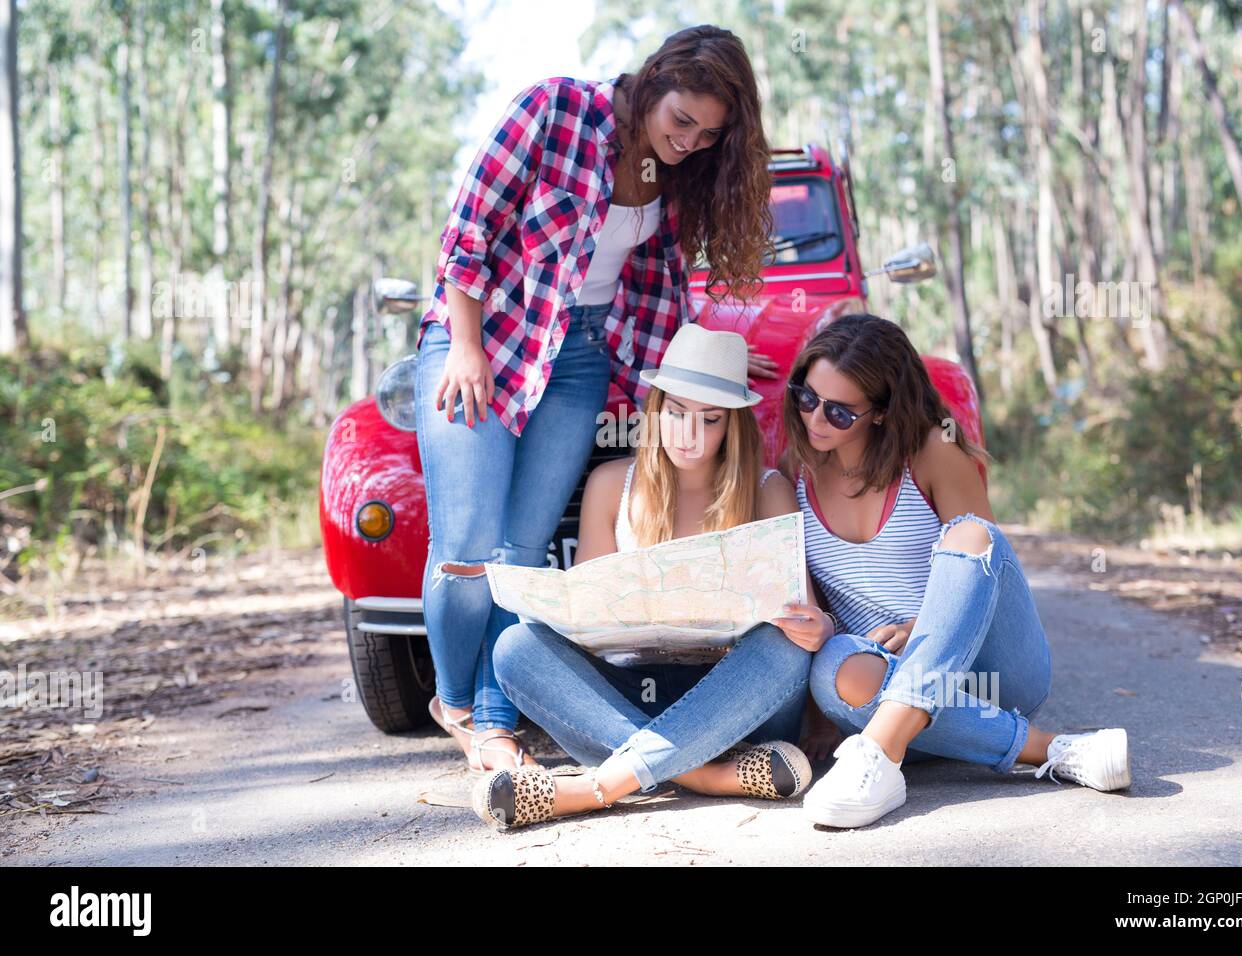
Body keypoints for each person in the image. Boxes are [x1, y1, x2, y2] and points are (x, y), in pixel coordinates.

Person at [413, 25, 779, 771]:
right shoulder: (554, 112)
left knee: (523, 550)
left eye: (709, 134)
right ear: (650, 83)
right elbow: (468, 228)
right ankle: (453, 700)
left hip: (579, 362)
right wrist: (467, 344)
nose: (689, 142)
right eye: (681, 120)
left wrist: (711, 367)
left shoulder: (678, 178)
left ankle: (493, 722)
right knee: (465, 550)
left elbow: (663, 293)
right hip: (487, 337)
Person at [781, 314, 1131, 829]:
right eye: (807, 397)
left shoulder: (930, 453)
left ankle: (878, 748)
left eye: (839, 411)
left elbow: (983, 568)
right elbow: (815, 606)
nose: (816, 420)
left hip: (989, 672)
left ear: (880, 412)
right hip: (881, 680)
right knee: (835, 664)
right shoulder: (797, 471)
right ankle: (1053, 749)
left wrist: (923, 625)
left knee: (971, 534)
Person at [473, 325, 826, 830]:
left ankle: (597, 788)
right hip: (628, 688)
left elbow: (805, 617)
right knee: (513, 647)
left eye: (709, 419)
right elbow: (588, 618)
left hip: (734, 696)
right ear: (656, 410)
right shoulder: (610, 484)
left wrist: (818, 630)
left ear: (732, 426)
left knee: (785, 648)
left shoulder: (768, 490)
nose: (688, 434)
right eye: (676, 412)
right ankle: (707, 773)